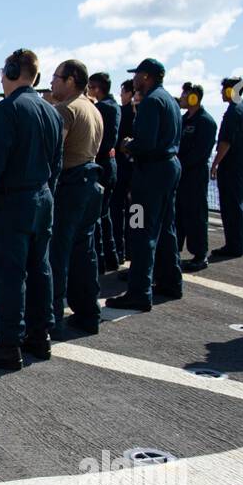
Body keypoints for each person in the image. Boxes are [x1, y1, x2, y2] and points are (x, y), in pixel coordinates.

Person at [0, 49, 62, 369]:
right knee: (40, 268)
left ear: (9, 71)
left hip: (14, 202)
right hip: (43, 197)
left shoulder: (9, 110)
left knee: (8, 273)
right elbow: (57, 164)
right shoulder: (52, 112)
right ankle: (40, 336)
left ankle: (7, 344)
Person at [106, 58, 182, 312]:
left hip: (150, 172)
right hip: (168, 169)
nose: (134, 79)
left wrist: (128, 144)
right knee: (166, 227)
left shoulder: (151, 102)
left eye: (137, 74)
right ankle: (171, 281)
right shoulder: (170, 100)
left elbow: (145, 143)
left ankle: (139, 291)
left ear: (147, 76)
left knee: (140, 231)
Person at [45, 60, 104, 337]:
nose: (52, 82)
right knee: (85, 253)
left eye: (56, 77)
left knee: (57, 253)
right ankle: (88, 313)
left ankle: (52, 319)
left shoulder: (66, 110)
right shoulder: (93, 109)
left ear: (70, 80)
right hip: (90, 184)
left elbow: (54, 154)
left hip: (69, 186)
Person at [211, 77, 243, 258]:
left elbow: (225, 142)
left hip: (232, 162)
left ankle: (234, 245)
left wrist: (215, 163)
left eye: (224, 89)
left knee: (231, 205)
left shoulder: (233, 112)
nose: (222, 93)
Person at [176, 82, 218, 271]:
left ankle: (200, 255)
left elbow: (201, 152)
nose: (183, 98)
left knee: (196, 215)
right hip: (181, 175)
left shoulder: (205, 122)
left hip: (194, 175)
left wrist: (181, 164)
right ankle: (174, 252)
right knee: (179, 215)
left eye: (185, 95)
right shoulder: (184, 120)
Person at [89, 72, 121, 273]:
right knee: (105, 215)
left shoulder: (101, 108)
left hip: (101, 166)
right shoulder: (114, 106)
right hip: (110, 165)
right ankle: (112, 257)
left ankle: (99, 260)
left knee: (96, 217)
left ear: (97, 88)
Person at [109, 78, 137, 268]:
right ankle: (133, 251)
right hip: (137, 173)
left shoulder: (125, 113)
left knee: (119, 211)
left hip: (126, 172)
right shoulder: (139, 114)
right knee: (136, 215)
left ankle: (121, 249)